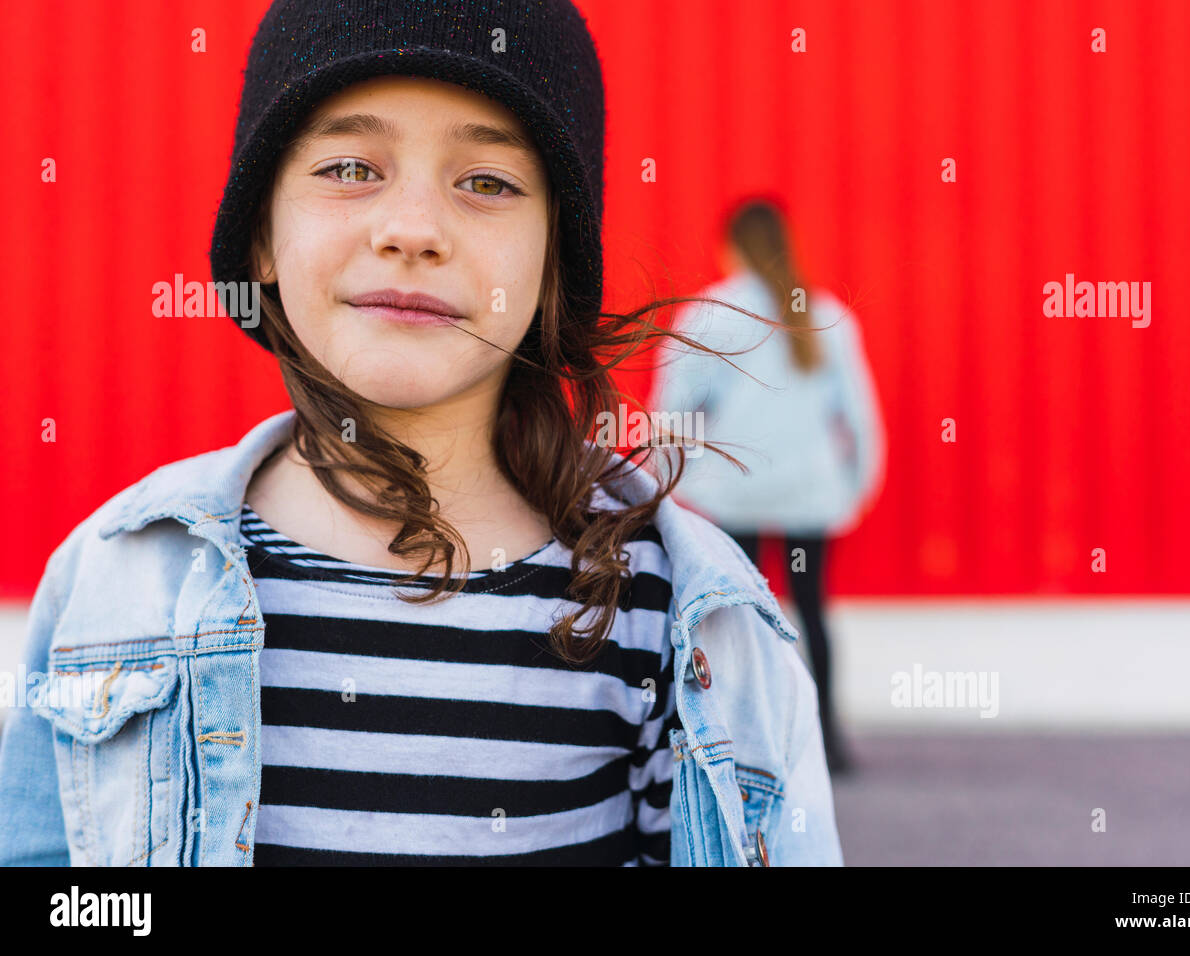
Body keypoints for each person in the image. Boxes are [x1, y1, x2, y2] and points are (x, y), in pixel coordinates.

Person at [0, 0, 843, 867]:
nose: (412, 230)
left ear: (554, 262)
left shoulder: (669, 610)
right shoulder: (121, 579)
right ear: (260, 239)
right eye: (349, 166)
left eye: (487, 182)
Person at [652, 198, 887, 775]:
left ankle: (742, 740)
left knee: (738, 618)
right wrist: (850, 494)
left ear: (730, 246)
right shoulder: (826, 317)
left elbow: (672, 413)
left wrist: (669, 489)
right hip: (810, 497)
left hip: (732, 498)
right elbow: (859, 420)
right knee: (812, 612)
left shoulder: (709, 314)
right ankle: (828, 741)